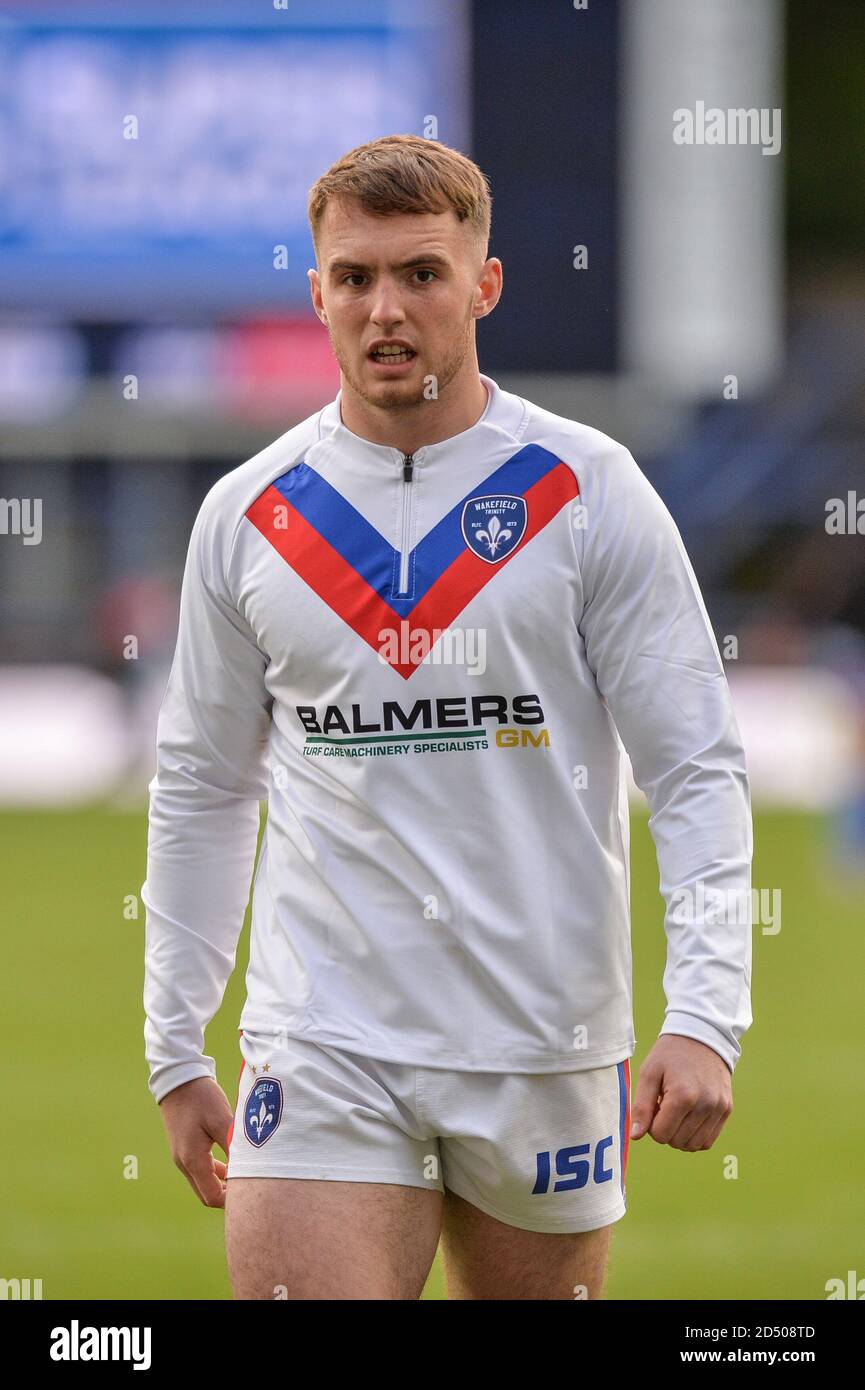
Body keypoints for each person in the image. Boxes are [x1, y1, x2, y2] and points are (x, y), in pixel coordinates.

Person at [143, 134, 753, 1301]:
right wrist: (177, 1039)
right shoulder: (247, 516)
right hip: (323, 1043)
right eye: (355, 277)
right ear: (314, 291)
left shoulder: (586, 490)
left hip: (544, 1045)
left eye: (421, 273)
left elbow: (695, 769)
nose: (386, 309)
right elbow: (203, 786)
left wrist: (707, 1015)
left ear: (484, 285)